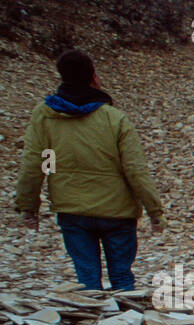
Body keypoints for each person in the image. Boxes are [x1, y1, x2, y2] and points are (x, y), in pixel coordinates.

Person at [15, 49, 164, 291]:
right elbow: (135, 170)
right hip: (118, 212)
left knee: (87, 279)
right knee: (122, 277)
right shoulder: (114, 118)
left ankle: (95, 322)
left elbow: (35, 164)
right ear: (94, 77)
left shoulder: (45, 115)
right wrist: (154, 211)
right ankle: (127, 322)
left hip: (72, 210)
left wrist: (29, 208)